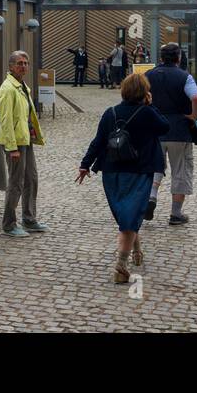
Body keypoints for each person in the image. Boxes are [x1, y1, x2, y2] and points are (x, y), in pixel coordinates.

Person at [76, 72, 169, 283]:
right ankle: (121, 266)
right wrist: (151, 105)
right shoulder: (147, 113)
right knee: (128, 219)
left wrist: (85, 165)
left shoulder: (111, 113)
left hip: (112, 173)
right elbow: (165, 127)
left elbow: (98, 141)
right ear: (145, 93)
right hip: (139, 173)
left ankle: (132, 253)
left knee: (127, 217)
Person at [145, 42, 197, 225]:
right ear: (179, 57)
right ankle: (176, 214)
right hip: (179, 130)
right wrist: (194, 116)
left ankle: (151, 197)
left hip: (155, 128)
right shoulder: (184, 76)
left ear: (161, 58)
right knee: (181, 171)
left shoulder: (148, 75)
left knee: (155, 167)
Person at [0, 50, 49, 237]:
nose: (23, 66)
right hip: (14, 143)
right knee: (16, 183)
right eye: (19, 63)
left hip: (25, 140)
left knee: (32, 179)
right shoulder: (8, 88)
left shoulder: (22, 85)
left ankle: (29, 219)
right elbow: (6, 120)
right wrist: (12, 148)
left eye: (26, 63)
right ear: (11, 66)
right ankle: (9, 224)